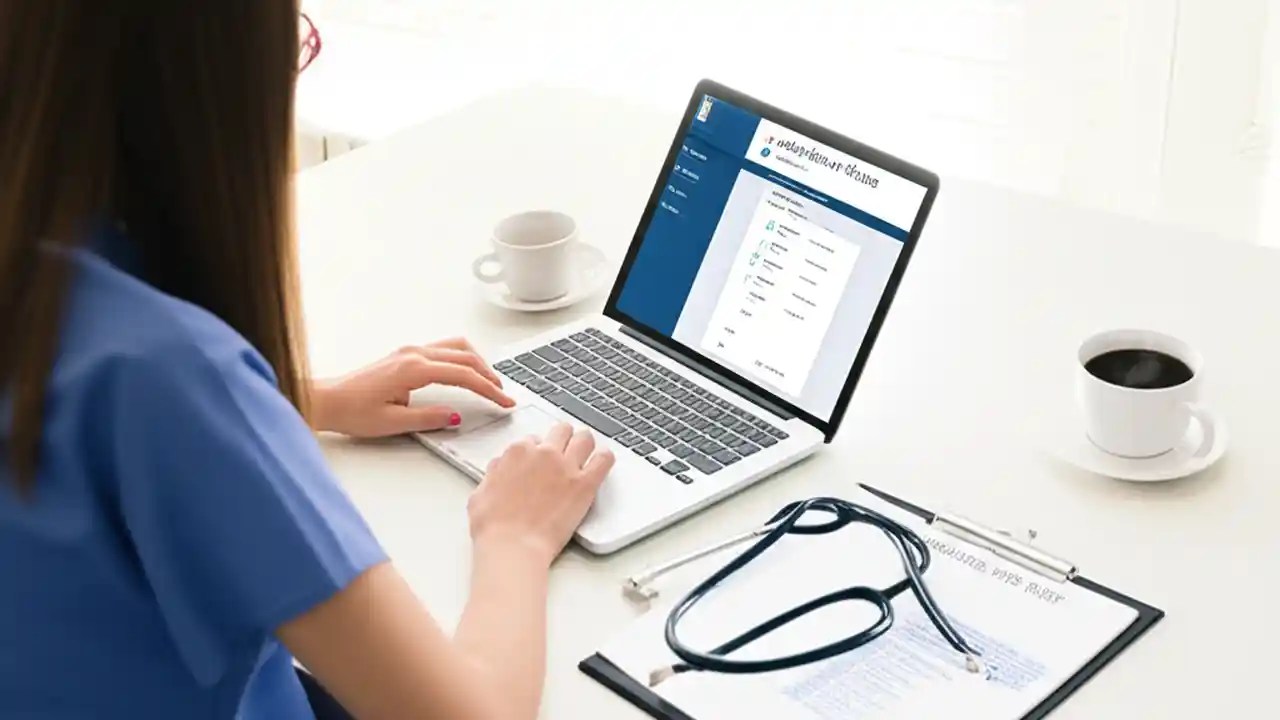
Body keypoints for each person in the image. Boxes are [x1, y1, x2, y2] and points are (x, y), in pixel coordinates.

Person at [0, 2, 613, 719]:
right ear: (212, 90)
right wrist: (517, 536)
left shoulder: (77, 328)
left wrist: (302, 401)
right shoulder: (169, 378)